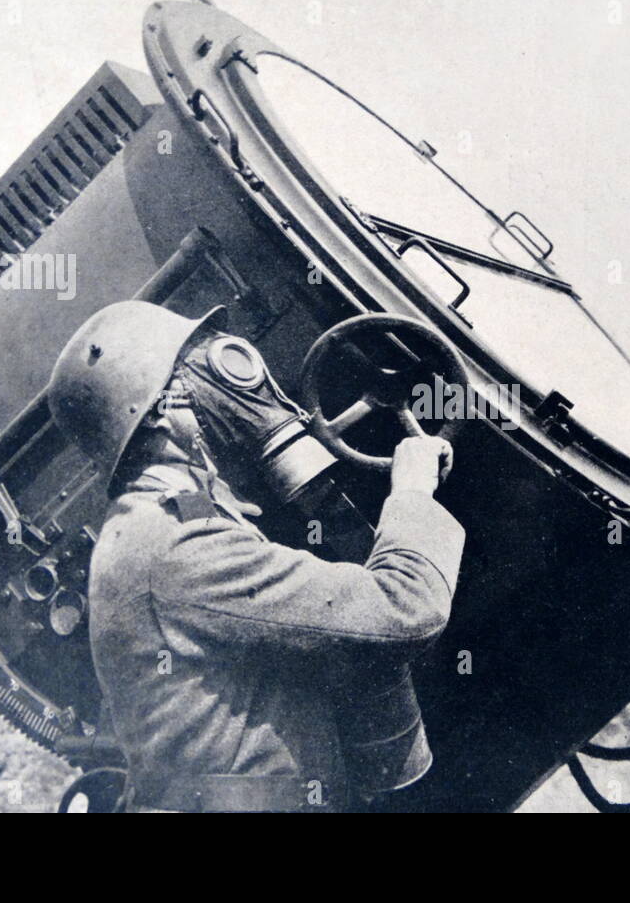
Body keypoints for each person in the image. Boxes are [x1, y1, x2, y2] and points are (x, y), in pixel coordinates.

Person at [47, 301, 464, 812]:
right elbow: (405, 610)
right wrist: (413, 493)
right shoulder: (177, 545)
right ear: (165, 415)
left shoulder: (159, 523)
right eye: (211, 374)